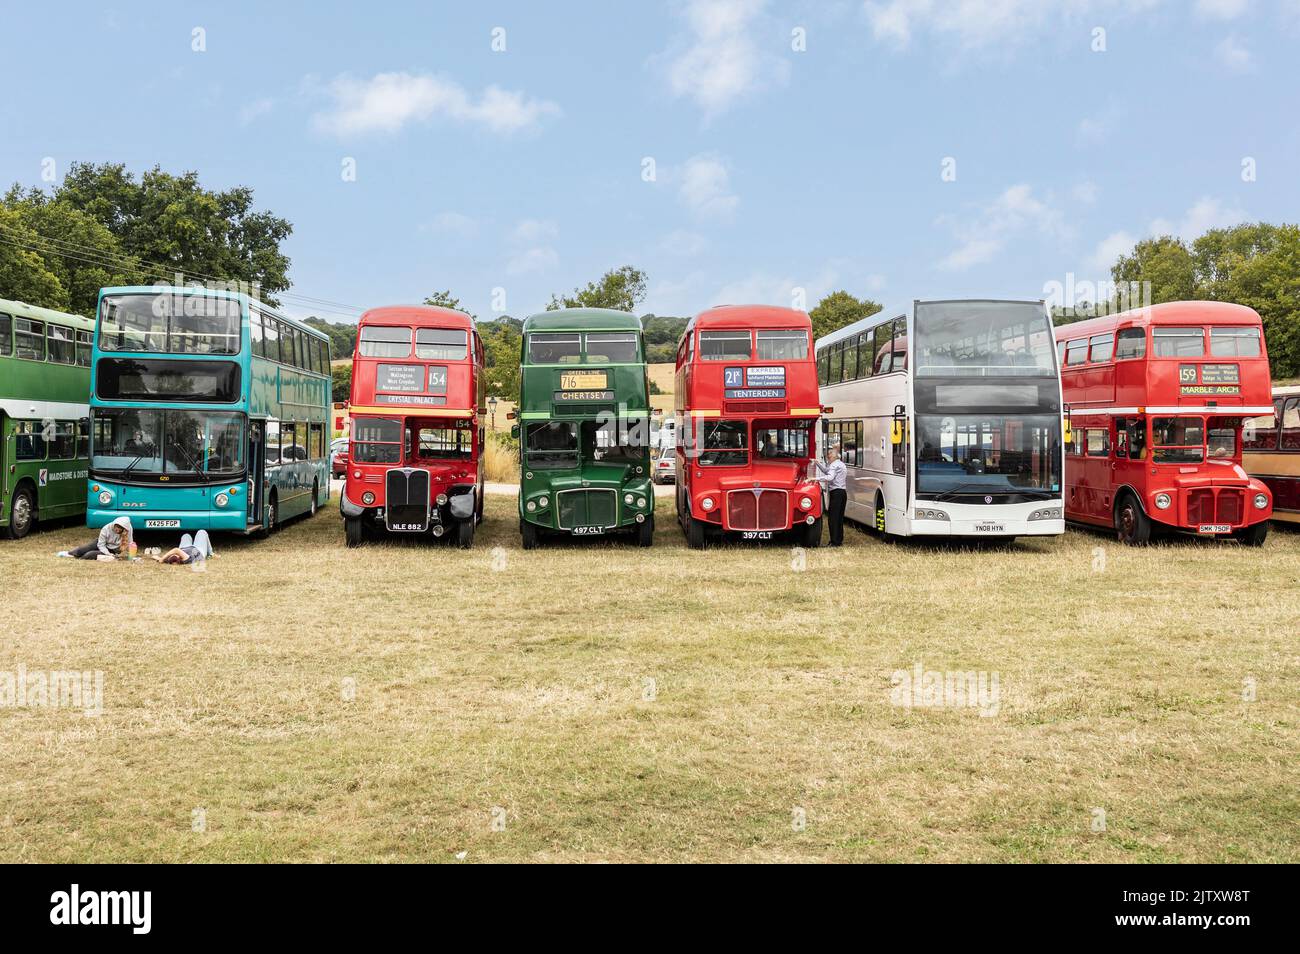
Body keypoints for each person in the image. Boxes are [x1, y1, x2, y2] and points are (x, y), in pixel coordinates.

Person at [58, 516, 134, 560]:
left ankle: (80, 558)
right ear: (114, 525)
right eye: (116, 527)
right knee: (83, 549)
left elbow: (130, 543)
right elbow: (101, 545)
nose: (117, 530)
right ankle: (70, 553)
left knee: (89, 554)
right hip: (101, 544)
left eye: (119, 529)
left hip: (112, 551)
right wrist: (107, 553)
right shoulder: (106, 529)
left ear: (124, 529)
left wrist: (132, 556)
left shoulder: (128, 529)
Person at [815, 445, 847, 546]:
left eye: (829, 455)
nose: (828, 457)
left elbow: (830, 477)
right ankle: (838, 540)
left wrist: (815, 479)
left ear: (834, 456)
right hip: (842, 493)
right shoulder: (840, 464)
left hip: (836, 493)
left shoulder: (834, 465)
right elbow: (826, 470)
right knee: (839, 518)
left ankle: (834, 541)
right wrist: (817, 463)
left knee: (833, 518)